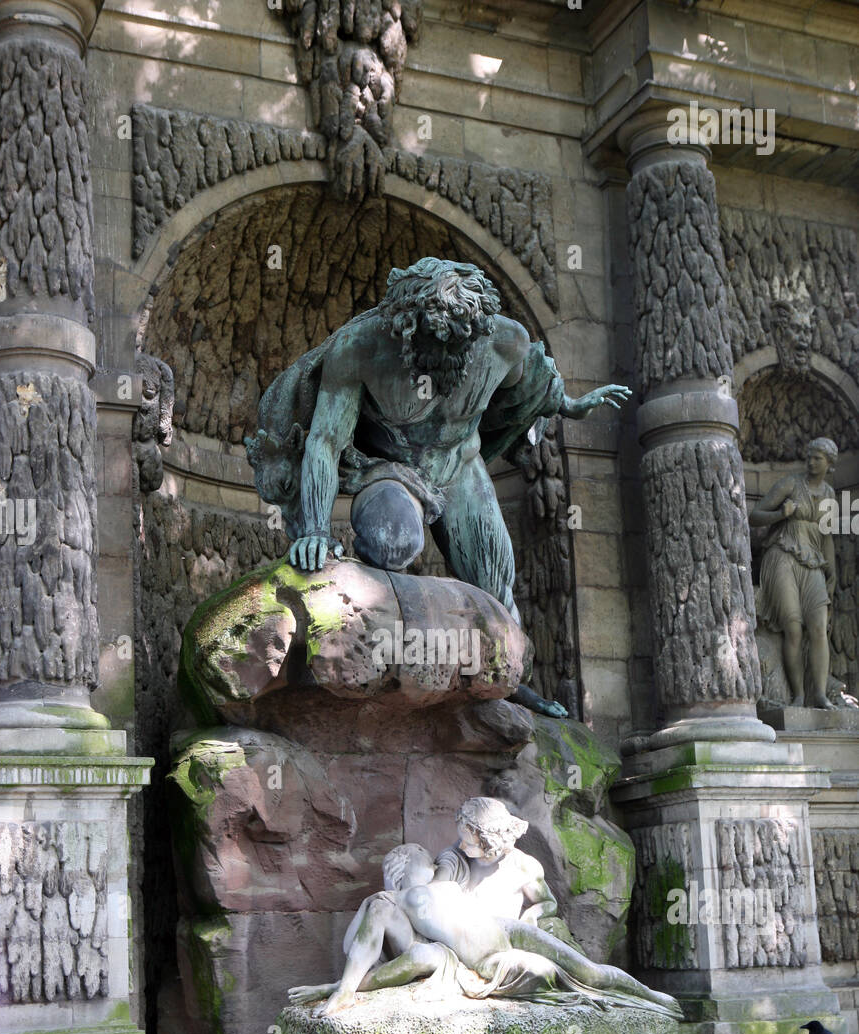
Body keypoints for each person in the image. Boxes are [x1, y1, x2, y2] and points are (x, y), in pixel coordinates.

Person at [246, 258, 632, 718]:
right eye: (434, 335)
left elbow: (533, 386)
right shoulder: (361, 348)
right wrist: (313, 528)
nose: (448, 344)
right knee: (393, 542)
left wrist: (568, 405)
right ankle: (375, 661)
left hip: (459, 464)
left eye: (460, 337)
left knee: (495, 584)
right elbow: (326, 440)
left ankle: (510, 684)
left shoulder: (504, 342)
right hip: (390, 468)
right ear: (406, 325)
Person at [289, 797, 682, 1019]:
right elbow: (357, 946)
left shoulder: (516, 868)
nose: (460, 847)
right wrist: (342, 987)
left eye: (470, 840)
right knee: (561, 974)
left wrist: (533, 917)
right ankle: (646, 999)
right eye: (413, 862)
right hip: (484, 955)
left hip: (508, 930)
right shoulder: (417, 887)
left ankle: (655, 997)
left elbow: (544, 901)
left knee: (590, 972)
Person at [749, 437, 838, 710]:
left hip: (813, 562)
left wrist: (831, 570)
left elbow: (827, 535)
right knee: (793, 628)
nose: (811, 462)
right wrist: (781, 514)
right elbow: (755, 516)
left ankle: (820, 696)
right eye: (809, 456)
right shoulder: (789, 484)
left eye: (817, 458)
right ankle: (798, 695)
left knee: (819, 628)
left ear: (829, 464)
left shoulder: (830, 494)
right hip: (782, 557)